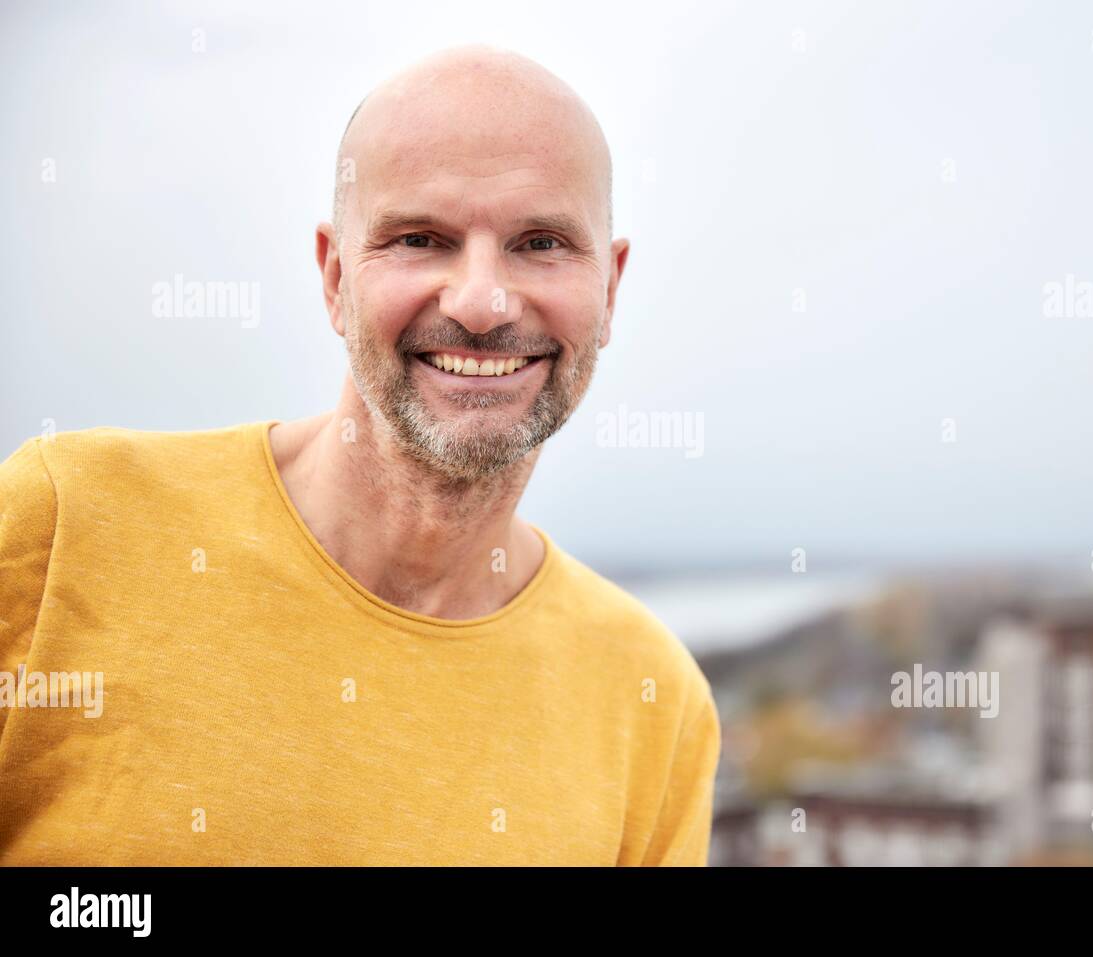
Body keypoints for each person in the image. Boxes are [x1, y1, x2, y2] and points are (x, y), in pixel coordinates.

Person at [0, 45, 720, 866]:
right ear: (336, 276)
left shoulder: (653, 701)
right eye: (420, 238)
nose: (481, 302)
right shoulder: (63, 528)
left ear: (611, 290)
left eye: (542, 243)